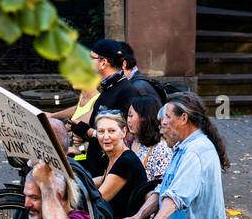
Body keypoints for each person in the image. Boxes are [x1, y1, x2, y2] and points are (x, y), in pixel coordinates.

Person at [80, 39, 142, 177]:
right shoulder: (109, 87)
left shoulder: (127, 92)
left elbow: (126, 136)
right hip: (96, 165)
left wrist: (91, 133)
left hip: (110, 171)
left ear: (103, 63)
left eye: (92, 58)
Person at [92, 110, 149, 219]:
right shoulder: (112, 157)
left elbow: (99, 199)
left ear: (123, 132)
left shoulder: (126, 161)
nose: (105, 136)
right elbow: (103, 180)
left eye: (111, 131)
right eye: (101, 131)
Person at [126, 95, 171, 181]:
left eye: (131, 116)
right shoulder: (130, 142)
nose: (128, 120)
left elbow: (160, 185)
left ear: (144, 118)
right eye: (128, 116)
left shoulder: (161, 148)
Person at [52, 85, 98, 163]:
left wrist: (62, 129)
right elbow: (77, 109)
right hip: (74, 153)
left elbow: (80, 123)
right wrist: (52, 115)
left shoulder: (97, 99)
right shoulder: (83, 95)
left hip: (84, 157)